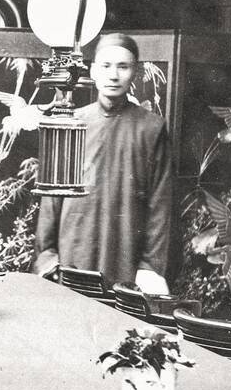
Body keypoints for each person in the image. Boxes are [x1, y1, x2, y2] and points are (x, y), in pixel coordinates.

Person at [34, 33, 173, 295]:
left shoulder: (152, 129)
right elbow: (51, 198)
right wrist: (48, 254)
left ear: (135, 72)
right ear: (93, 70)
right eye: (106, 66)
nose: (113, 75)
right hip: (74, 246)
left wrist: (149, 266)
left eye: (123, 66)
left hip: (125, 251)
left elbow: (160, 206)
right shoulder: (72, 122)